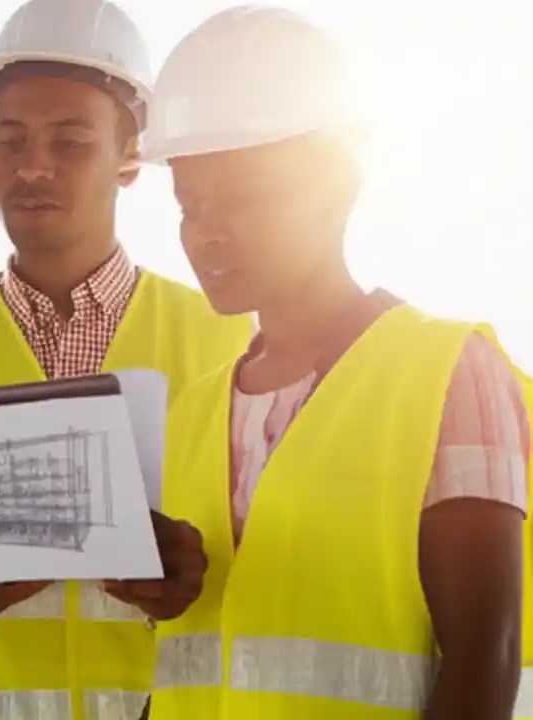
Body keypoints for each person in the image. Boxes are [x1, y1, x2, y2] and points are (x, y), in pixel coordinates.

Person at [0, 1, 254, 718]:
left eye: (69, 143)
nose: (32, 168)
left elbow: (280, 568)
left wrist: (206, 575)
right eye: (10, 140)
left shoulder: (225, 342)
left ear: (130, 157)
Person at [139, 7, 533, 719]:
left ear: (337, 186)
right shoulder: (190, 414)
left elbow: (485, 660)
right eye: (189, 204)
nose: (206, 233)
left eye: (242, 198)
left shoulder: (448, 373)